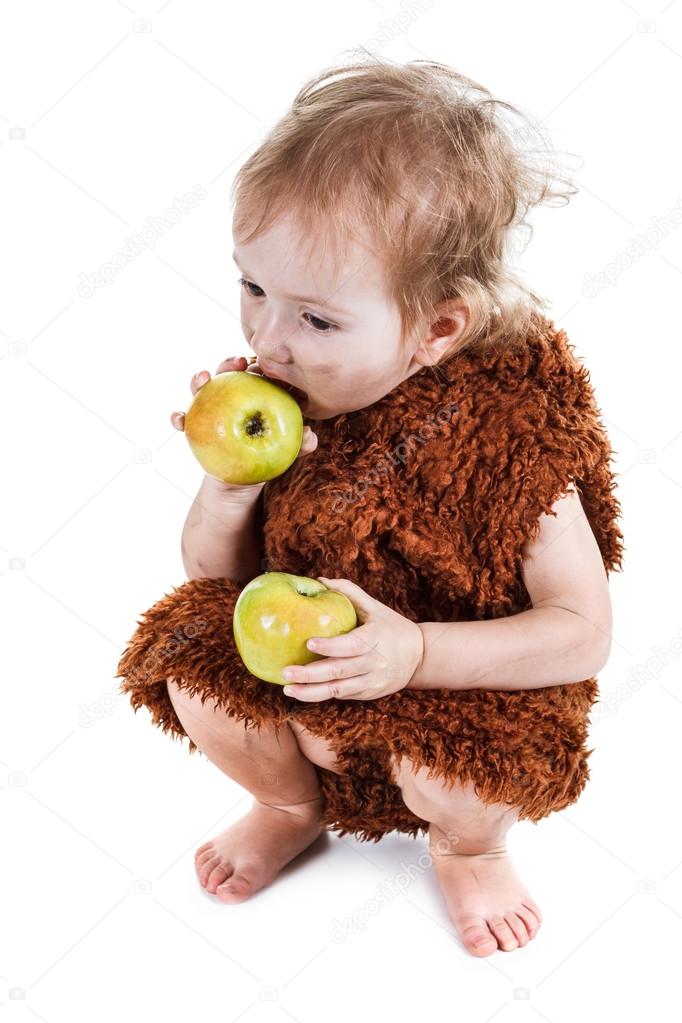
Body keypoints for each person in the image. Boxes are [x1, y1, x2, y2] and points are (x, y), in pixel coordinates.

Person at [117, 55, 624, 958]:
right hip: (314, 689)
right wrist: (229, 486)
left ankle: (469, 848)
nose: (267, 339)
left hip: (458, 698)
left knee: (465, 778)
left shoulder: (513, 436)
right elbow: (214, 580)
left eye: (316, 319)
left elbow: (581, 631)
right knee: (189, 657)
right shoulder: (283, 399)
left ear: (436, 328)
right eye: (253, 288)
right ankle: (287, 800)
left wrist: (416, 651)